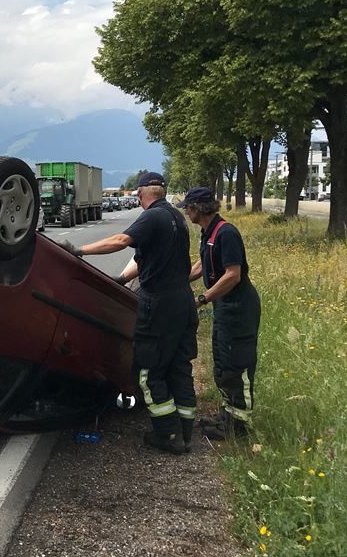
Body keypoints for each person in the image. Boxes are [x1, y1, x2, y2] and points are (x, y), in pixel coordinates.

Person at [58, 172, 197, 455]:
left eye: (137, 192)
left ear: (144, 192)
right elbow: (147, 259)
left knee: (149, 370)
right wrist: (121, 281)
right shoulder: (174, 218)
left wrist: (78, 250)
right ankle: (185, 429)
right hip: (183, 300)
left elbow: (121, 240)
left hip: (159, 303)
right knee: (178, 367)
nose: (135, 196)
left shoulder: (152, 216)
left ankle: (167, 434)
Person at [178, 187, 261, 440]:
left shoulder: (226, 233)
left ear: (197, 208)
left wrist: (201, 299)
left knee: (237, 364)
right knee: (223, 363)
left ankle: (239, 427)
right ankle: (226, 417)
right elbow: (202, 264)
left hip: (239, 308)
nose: (185, 211)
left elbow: (233, 275)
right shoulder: (209, 232)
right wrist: (179, 282)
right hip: (224, 307)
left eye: (187, 207)